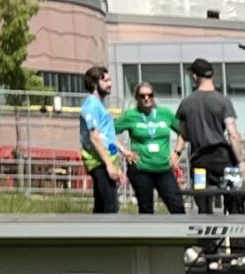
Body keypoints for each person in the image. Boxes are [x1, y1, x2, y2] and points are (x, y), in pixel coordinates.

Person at [176, 58, 245, 215]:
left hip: (199, 160)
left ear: (194, 76)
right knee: (234, 198)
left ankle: (208, 238)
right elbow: (233, 133)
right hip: (222, 158)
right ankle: (237, 237)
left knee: (204, 204)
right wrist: (241, 161)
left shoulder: (186, 104)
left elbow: (185, 134)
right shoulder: (223, 101)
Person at [116, 80, 186, 214]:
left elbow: (182, 132)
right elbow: (108, 132)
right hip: (141, 168)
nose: (147, 98)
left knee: (177, 206)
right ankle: (147, 234)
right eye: (142, 96)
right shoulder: (131, 115)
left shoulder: (165, 113)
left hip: (163, 168)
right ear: (137, 98)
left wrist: (177, 152)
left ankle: (178, 234)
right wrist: (124, 151)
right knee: (146, 207)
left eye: (150, 95)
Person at [77, 66, 126, 214]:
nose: (110, 84)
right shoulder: (91, 105)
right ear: (94, 83)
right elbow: (95, 137)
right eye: (105, 80)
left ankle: (94, 235)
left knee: (102, 205)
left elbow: (108, 137)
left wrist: (122, 152)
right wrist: (109, 165)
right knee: (110, 206)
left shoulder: (100, 106)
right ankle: (108, 236)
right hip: (98, 161)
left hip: (105, 160)